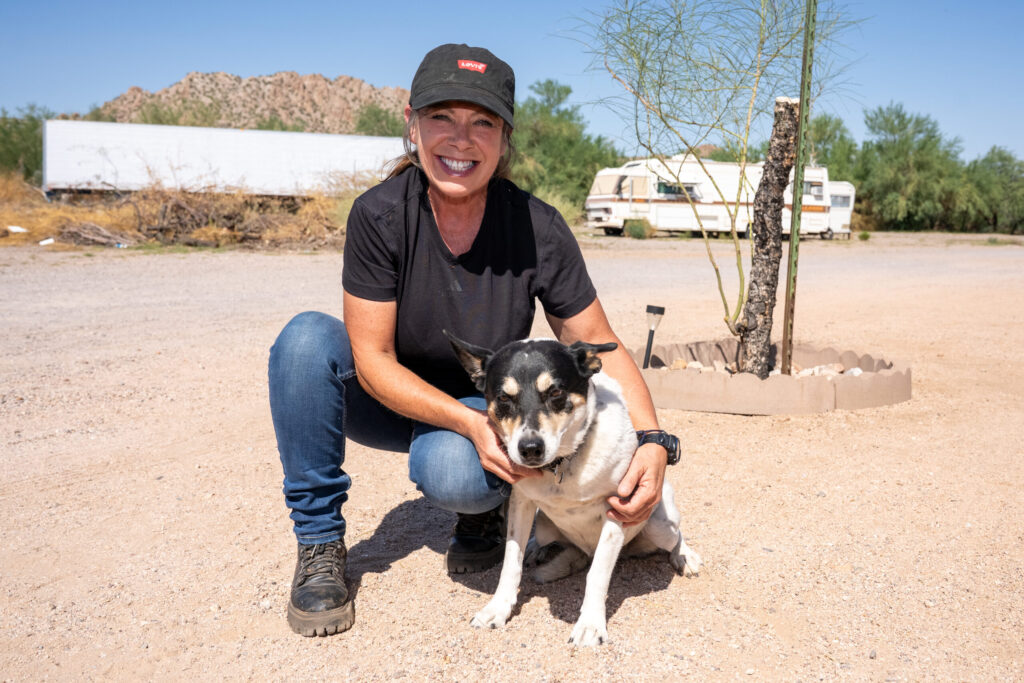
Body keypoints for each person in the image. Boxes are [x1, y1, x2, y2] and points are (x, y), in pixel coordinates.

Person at [268, 43, 674, 637]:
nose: (461, 140)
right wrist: (466, 425)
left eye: (482, 122)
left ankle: (480, 514)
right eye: (442, 118)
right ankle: (320, 544)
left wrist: (655, 443)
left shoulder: (538, 228)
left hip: (493, 408)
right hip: (398, 400)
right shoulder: (379, 216)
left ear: (504, 139)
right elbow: (372, 358)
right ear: (411, 123)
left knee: (456, 473)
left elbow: (597, 342)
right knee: (304, 342)